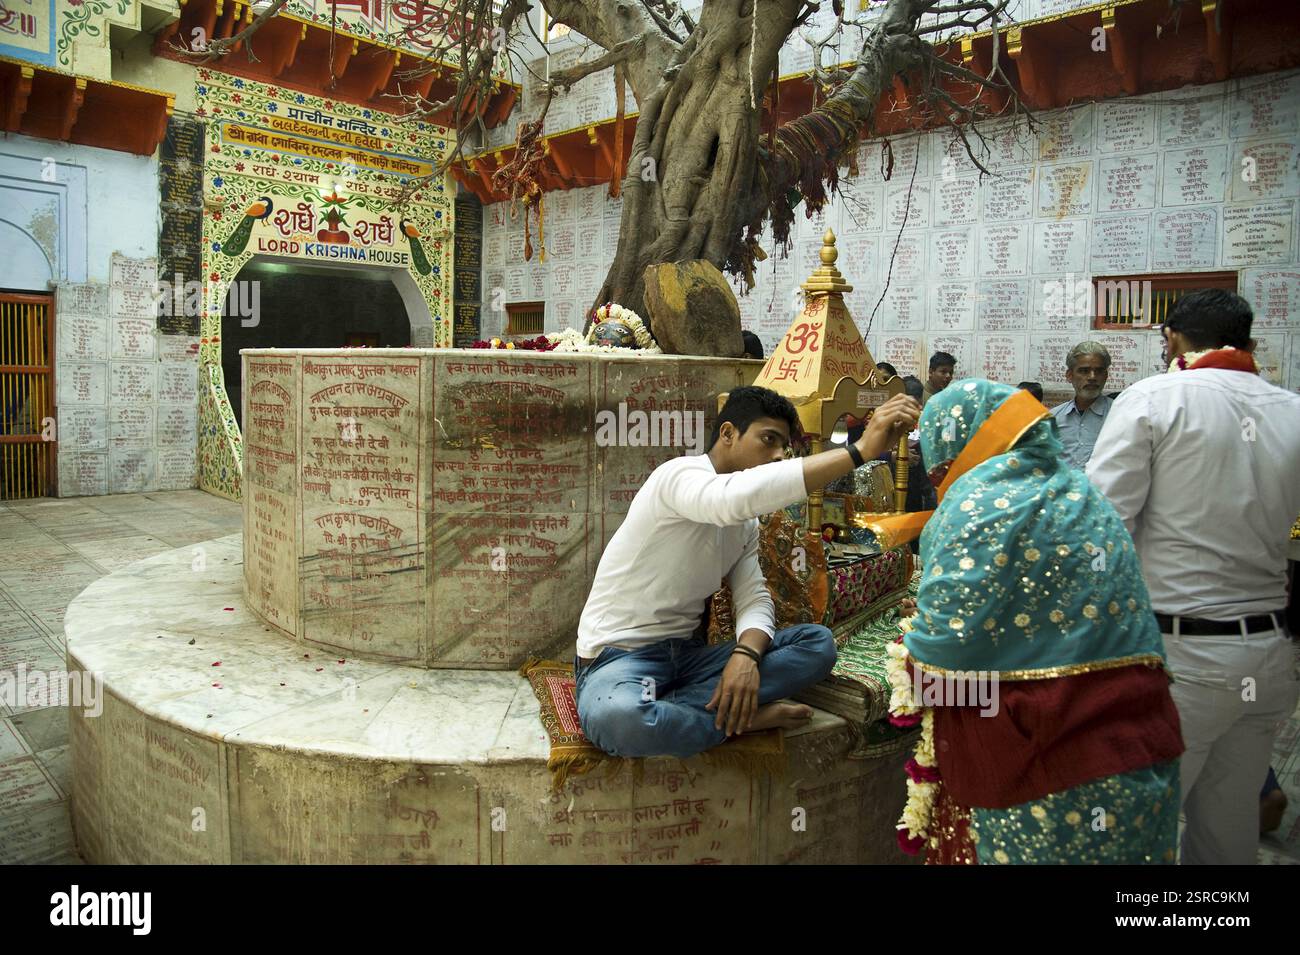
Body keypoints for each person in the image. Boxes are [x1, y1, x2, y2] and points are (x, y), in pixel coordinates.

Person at [884, 379, 1184, 864]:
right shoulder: (1083, 491)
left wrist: (909, 662)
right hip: (1139, 746)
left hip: (1042, 773)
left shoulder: (973, 503)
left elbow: (939, 666)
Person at [575, 385, 921, 758]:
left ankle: (691, 708)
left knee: (817, 645)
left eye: (784, 448)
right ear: (727, 434)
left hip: (688, 662)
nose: (777, 455)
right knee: (621, 720)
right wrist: (857, 453)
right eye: (767, 440)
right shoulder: (677, 477)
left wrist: (746, 656)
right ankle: (732, 720)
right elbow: (729, 499)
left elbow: (754, 598)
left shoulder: (745, 525)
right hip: (621, 659)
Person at [1087, 289, 1300, 865]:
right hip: (1268, 653)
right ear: (1251, 343)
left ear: (1172, 340)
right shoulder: (1292, 410)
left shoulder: (1156, 399)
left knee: (1134, 827)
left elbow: (1103, 527)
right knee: (1229, 825)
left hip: (1185, 658)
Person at [1050, 342, 1114, 469]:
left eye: (1099, 371)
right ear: (1069, 375)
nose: (1092, 377)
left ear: (1106, 376)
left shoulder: (1119, 414)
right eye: (1084, 371)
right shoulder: (1054, 418)